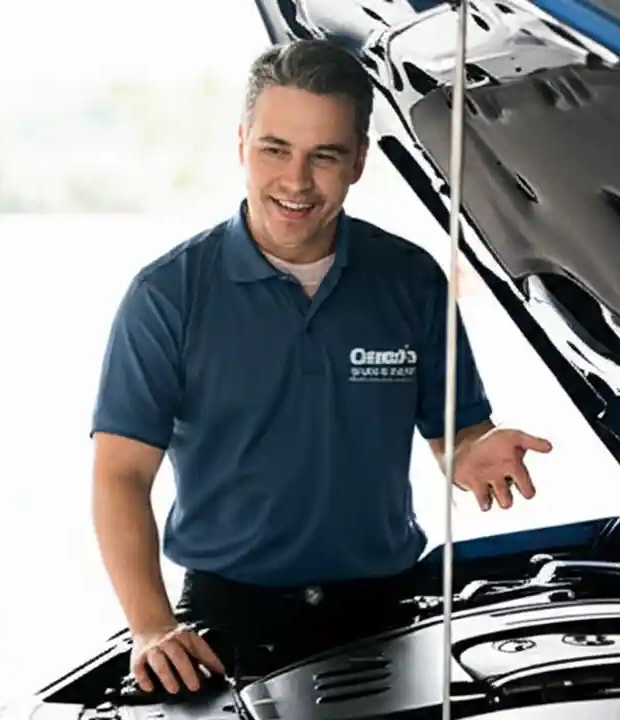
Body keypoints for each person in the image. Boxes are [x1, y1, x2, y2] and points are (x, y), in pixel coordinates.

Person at [89, 38, 554, 695]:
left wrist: (475, 453)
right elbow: (120, 476)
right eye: (275, 150)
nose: (296, 182)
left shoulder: (411, 280)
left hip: (389, 613)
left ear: (360, 159)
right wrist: (151, 626)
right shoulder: (167, 295)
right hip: (227, 620)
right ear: (242, 144)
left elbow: (456, 438)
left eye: (325, 156)